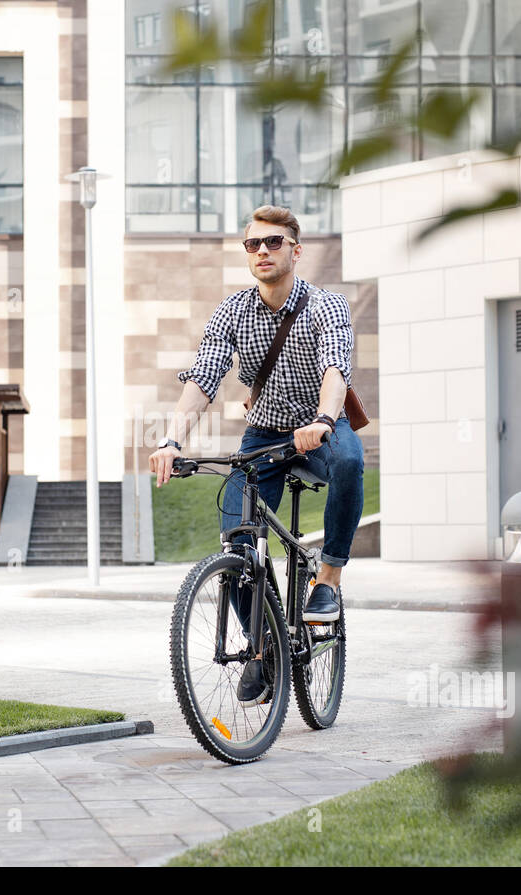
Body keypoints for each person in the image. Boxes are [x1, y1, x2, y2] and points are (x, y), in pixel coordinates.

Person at [147, 205, 365, 707]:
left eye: (273, 242)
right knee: (238, 544)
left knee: (351, 463)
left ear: (295, 249)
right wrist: (171, 440)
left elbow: (336, 368)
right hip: (264, 436)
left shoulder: (325, 306)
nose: (262, 251)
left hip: (319, 428)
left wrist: (325, 421)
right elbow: (203, 379)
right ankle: (265, 651)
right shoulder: (233, 311)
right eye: (253, 244)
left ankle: (327, 578)